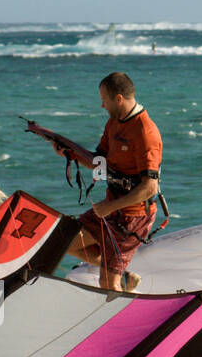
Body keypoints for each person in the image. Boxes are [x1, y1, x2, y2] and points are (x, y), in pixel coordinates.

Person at [61, 72, 163, 292]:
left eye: (104, 100)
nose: (102, 105)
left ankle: (126, 314)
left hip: (133, 216)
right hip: (112, 208)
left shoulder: (145, 132)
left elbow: (149, 187)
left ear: (118, 99)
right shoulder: (113, 123)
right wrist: (70, 154)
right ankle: (124, 274)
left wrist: (109, 207)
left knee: (107, 284)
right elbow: (99, 162)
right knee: (63, 242)